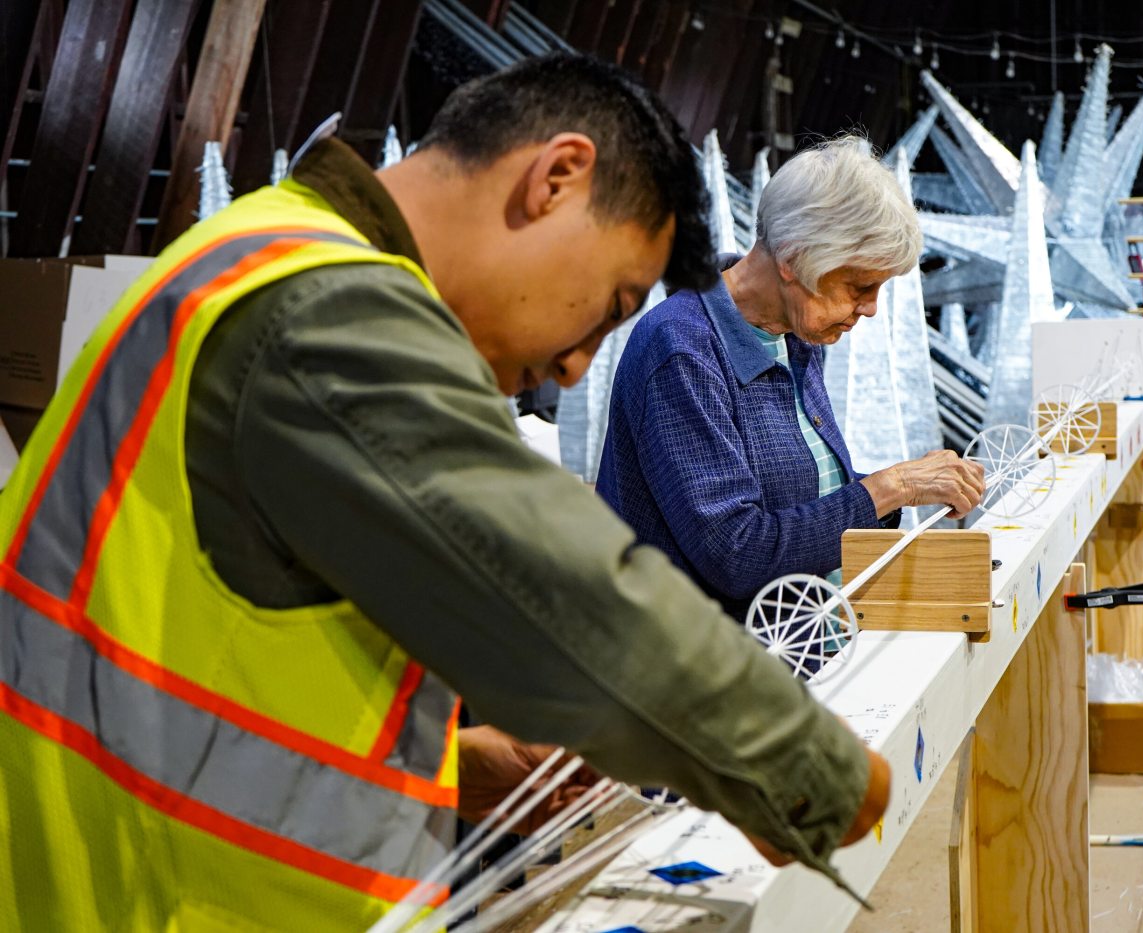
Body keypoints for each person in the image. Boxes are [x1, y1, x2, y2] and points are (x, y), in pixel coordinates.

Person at [0, 55, 887, 931]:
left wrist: (443, 762)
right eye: (612, 303)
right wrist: (810, 767)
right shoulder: (325, 311)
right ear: (555, 179)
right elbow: (559, 586)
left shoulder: (254, 256)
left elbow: (187, 651)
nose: (577, 368)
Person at [597, 137, 986, 622]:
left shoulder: (794, 335)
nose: (870, 308)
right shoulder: (681, 349)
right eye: (859, 286)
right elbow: (737, 553)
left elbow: (801, 501)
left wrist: (917, 484)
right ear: (793, 258)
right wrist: (891, 488)